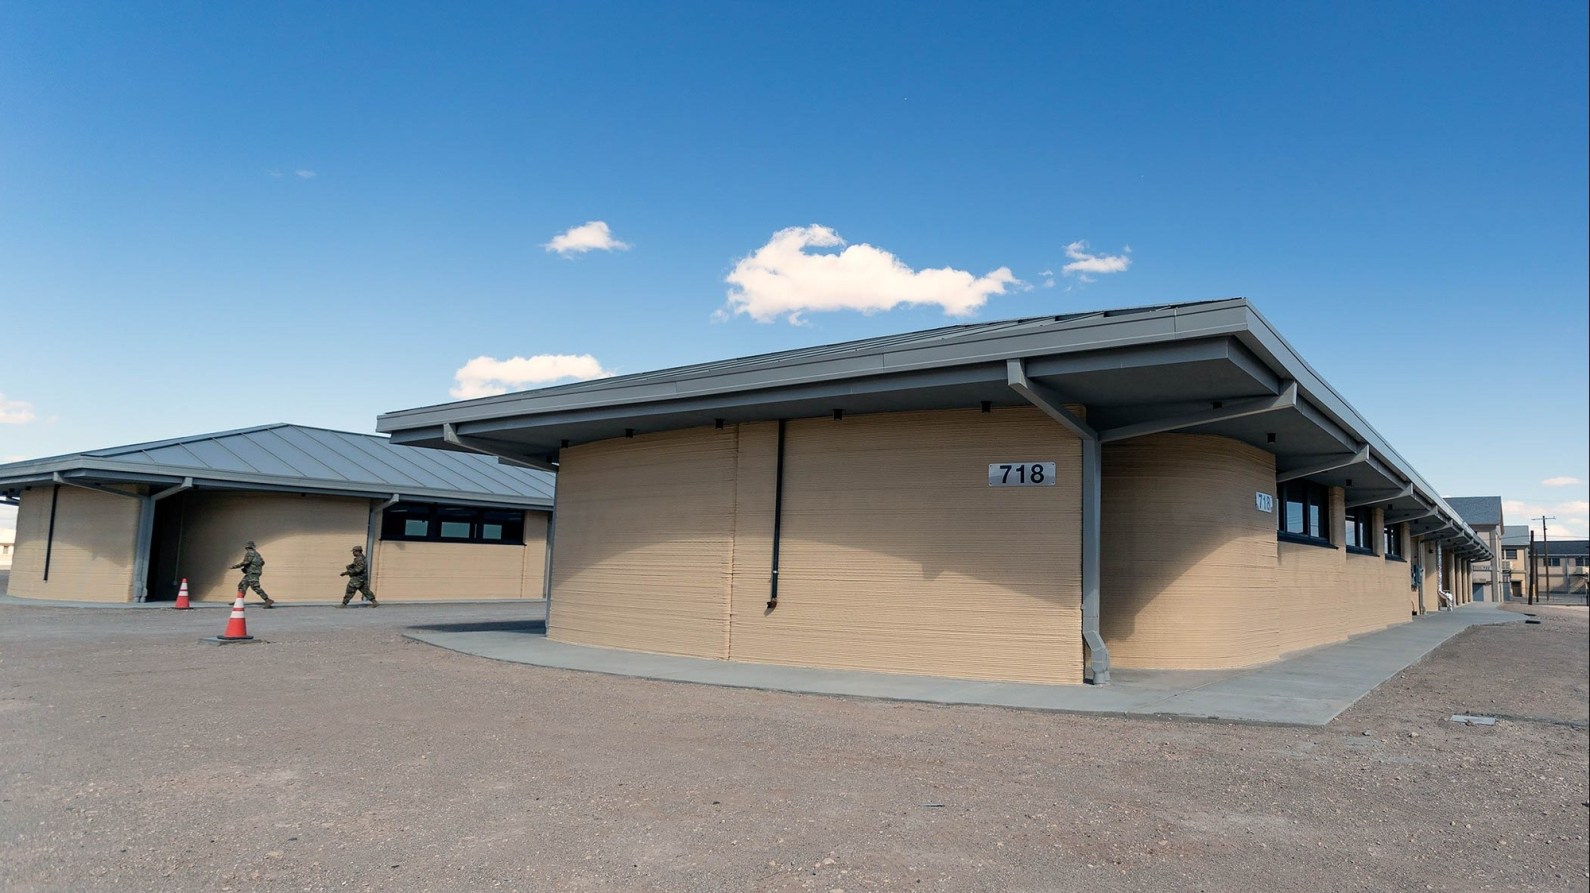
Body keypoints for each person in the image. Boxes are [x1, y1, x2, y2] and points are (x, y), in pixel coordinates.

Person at [230, 540, 273, 608]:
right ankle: (239, 601)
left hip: (252, 573)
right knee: (242, 585)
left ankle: (267, 600)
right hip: (251, 573)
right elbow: (262, 562)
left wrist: (234, 566)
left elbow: (246, 562)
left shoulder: (250, 553)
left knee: (255, 587)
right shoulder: (257, 554)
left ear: (247, 547)